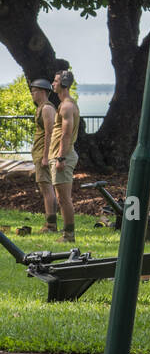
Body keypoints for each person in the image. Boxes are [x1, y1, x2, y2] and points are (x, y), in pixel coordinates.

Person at [48, 70, 80, 243]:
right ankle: (67, 233)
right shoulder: (64, 104)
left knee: (64, 198)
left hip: (64, 156)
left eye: (55, 81)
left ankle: (69, 235)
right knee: (61, 197)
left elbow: (66, 134)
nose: (53, 83)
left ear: (64, 84)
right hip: (60, 155)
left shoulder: (67, 106)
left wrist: (60, 158)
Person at [28, 79, 57, 235]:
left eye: (34, 91)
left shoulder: (47, 109)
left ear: (43, 92)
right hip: (39, 152)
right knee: (45, 188)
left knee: (47, 188)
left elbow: (50, 133)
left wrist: (46, 156)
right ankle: (49, 223)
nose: (32, 93)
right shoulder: (40, 108)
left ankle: (51, 225)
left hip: (43, 154)